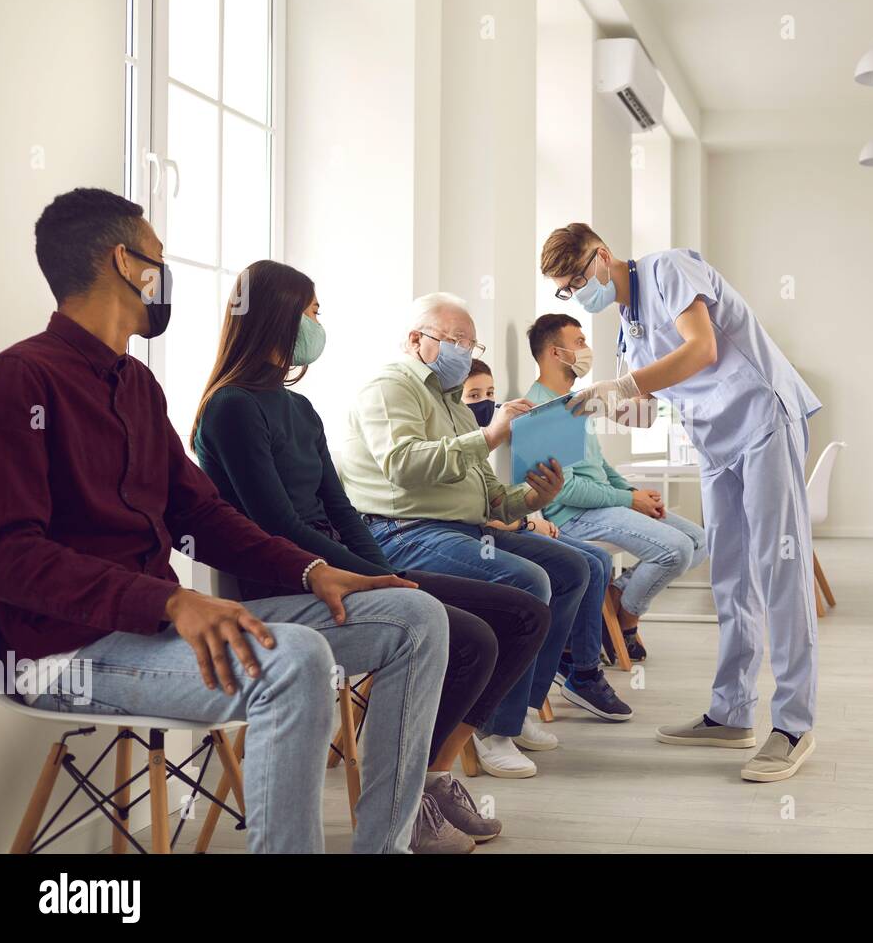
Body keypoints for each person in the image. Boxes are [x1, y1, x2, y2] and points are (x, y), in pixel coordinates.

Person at [0, 188, 449, 854]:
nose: (163, 274)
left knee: (417, 620)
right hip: (61, 652)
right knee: (293, 663)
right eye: (158, 258)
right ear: (125, 262)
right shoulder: (18, 382)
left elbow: (198, 513)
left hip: (152, 629)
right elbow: (8, 557)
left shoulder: (138, 387)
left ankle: (385, 847)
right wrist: (170, 600)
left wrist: (313, 569)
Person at [192, 260, 553, 849]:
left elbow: (338, 511)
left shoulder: (300, 408)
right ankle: (402, 809)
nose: (317, 324)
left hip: (344, 570)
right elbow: (276, 524)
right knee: (470, 635)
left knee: (521, 615)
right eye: (311, 312)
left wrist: (382, 574)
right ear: (279, 317)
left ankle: (431, 778)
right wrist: (375, 580)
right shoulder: (231, 408)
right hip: (281, 585)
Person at [540, 223, 821, 783]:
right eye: (566, 289)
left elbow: (702, 348)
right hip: (717, 444)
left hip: (763, 421)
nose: (578, 292)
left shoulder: (668, 269)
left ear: (602, 255)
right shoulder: (629, 329)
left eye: (576, 278)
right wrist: (588, 405)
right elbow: (650, 403)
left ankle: (793, 724)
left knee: (779, 569)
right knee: (732, 577)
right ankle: (731, 712)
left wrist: (620, 388)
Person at [339, 293, 623, 779]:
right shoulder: (390, 387)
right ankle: (493, 729)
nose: (466, 354)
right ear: (415, 340)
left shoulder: (450, 400)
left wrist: (533, 498)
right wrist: (491, 435)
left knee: (572, 567)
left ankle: (520, 709)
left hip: (460, 529)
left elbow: (491, 498)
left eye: (472, 344)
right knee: (530, 581)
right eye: (456, 341)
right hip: (401, 532)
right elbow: (405, 467)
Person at [521, 314, 708, 661]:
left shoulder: (575, 401)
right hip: (573, 517)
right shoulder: (540, 411)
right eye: (578, 343)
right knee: (676, 550)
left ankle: (618, 596)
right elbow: (565, 491)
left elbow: (600, 465)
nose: (587, 350)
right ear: (553, 353)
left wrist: (635, 494)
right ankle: (626, 620)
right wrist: (628, 499)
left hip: (605, 506)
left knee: (699, 540)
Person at [461, 358, 633, 717]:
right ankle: (569, 670)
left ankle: (576, 665)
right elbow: (475, 513)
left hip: (516, 522)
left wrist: (532, 512)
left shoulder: (500, 433)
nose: (485, 401)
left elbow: (502, 495)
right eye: (473, 394)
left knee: (597, 561)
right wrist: (527, 524)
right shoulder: (461, 444)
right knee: (575, 567)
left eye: (490, 393)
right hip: (487, 535)